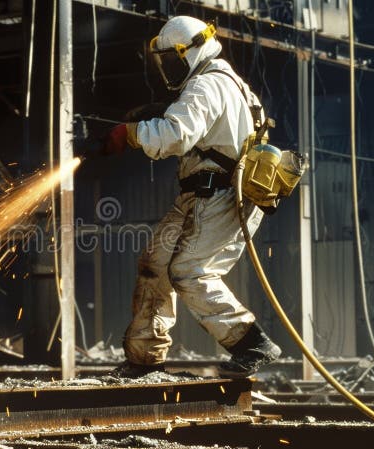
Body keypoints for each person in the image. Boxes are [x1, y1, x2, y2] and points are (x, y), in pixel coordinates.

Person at [103, 16, 281, 378]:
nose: (169, 67)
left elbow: (175, 135)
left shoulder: (207, 85)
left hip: (221, 196)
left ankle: (251, 342)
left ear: (191, 51)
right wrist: (154, 115)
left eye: (172, 59)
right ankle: (144, 359)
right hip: (199, 195)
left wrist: (130, 133)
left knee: (189, 272)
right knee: (156, 263)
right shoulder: (224, 82)